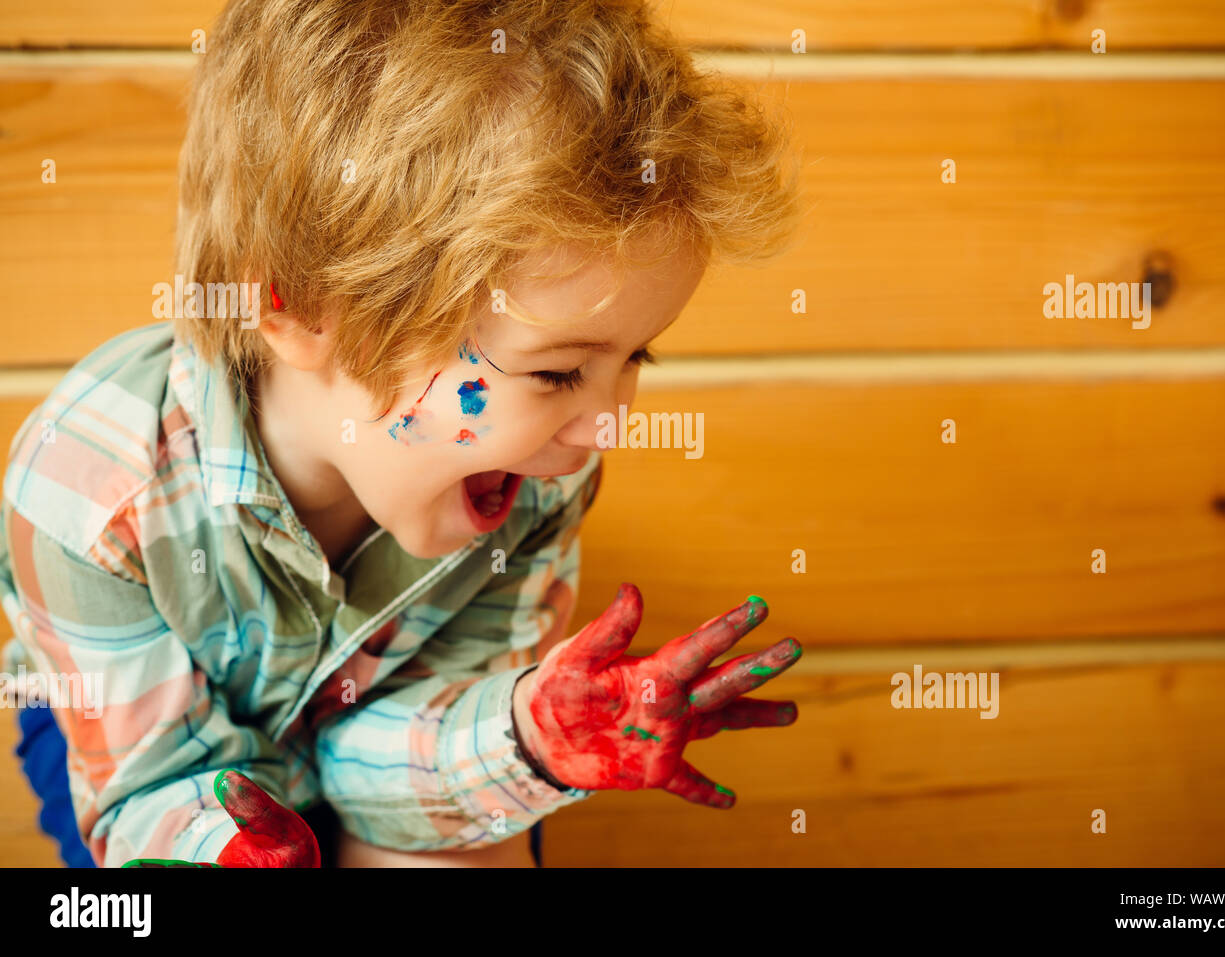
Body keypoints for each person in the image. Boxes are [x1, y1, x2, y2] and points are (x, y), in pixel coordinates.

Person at [0, 0, 803, 867]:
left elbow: (396, 766)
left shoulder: (537, 478)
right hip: (145, 750)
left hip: (394, 731)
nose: (608, 424)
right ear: (302, 309)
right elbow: (148, 780)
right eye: (556, 372)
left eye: (636, 354)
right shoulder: (92, 477)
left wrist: (528, 736)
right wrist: (223, 852)